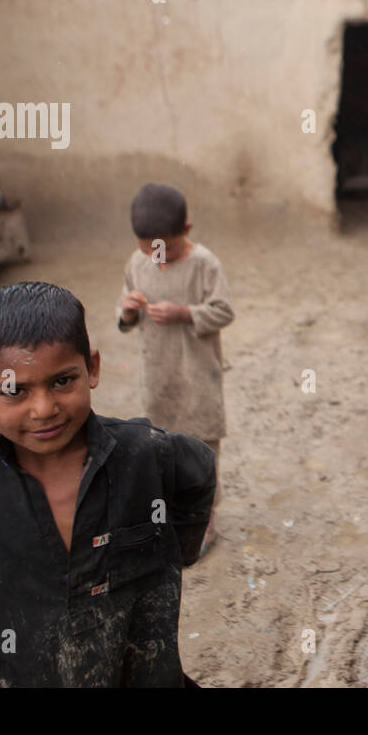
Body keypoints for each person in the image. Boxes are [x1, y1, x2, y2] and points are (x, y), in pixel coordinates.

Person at [0, 281, 215, 687]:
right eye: (14, 390)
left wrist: (179, 548)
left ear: (91, 368)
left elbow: (200, 469)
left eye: (62, 381)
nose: (44, 409)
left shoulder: (146, 454)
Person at [118, 183, 234, 554]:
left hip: (197, 375)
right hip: (159, 376)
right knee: (162, 446)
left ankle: (206, 518)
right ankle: (169, 513)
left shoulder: (205, 264)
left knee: (201, 445)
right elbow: (124, 314)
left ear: (187, 230)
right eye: (147, 250)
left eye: (164, 249)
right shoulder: (137, 264)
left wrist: (185, 313)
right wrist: (128, 312)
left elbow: (223, 310)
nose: (156, 258)